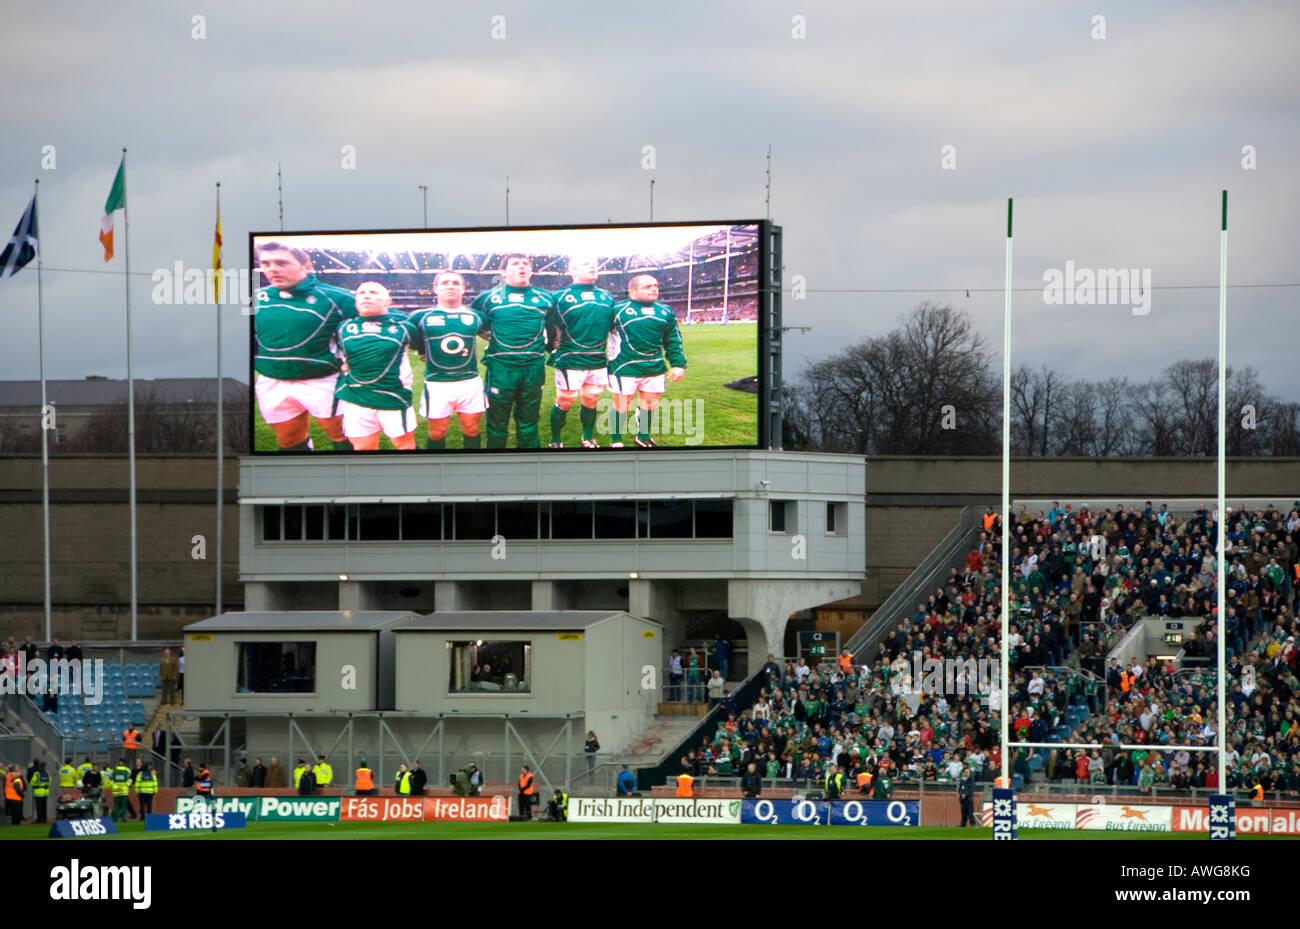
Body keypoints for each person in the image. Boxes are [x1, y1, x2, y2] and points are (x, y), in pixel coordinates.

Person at [252, 240, 358, 450]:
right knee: (289, 441)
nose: (272, 269)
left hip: (323, 380)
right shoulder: (255, 298)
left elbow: (384, 321)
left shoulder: (338, 298)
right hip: (272, 381)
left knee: (345, 436)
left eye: (281, 262)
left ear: (307, 266)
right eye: (266, 263)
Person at [472, 253, 556, 448]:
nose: (522, 267)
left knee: (528, 421)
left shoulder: (545, 297)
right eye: (515, 263)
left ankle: (530, 462)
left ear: (531, 270)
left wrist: (551, 345)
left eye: (525, 264)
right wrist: (489, 336)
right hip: (501, 369)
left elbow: (552, 328)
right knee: (497, 422)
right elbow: (474, 323)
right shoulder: (487, 298)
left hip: (533, 368)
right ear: (503, 271)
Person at [332, 281, 418, 451]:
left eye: (373, 292)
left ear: (388, 302)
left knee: (404, 446)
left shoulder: (405, 328)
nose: (366, 295)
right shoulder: (343, 328)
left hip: (393, 398)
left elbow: (423, 349)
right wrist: (343, 364)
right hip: (355, 398)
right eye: (361, 292)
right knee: (362, 448)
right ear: (355, 301)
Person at [605, 274, 686, 447]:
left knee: (649, 404)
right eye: (647, 286)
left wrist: (678, 364)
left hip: (654, 367)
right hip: (623, 367)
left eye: (656, 285)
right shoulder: (616, 310)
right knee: (621, 405)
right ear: (632, 291)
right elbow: (596, 333)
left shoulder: (665, 311)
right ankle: (616, 440)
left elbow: (673, 339)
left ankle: (643, 437)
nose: (654, 288)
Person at [546, 256, 617, 448]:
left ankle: (587, 437)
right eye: (586, 263)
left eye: (594, 264)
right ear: (573, 271)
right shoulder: (557, 296)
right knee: (566, 399)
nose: (593, 266)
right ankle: (555, 439)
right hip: (570, 358)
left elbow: (614, 327)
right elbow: (547, 325)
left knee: (592, 398)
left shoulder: (607, 296)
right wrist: (551, 346)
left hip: (597, 359)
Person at [410, 271, 485, 450]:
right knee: (437, 432)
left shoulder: (476, 316)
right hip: (437, 384)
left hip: (470, 382)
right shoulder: (419, 317)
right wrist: (422, 350)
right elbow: (409, 339)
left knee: (472, 428)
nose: (450, 286)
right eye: (444, 283)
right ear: (436, 288)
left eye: (455, 283)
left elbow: (492, 334)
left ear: (463, 288)